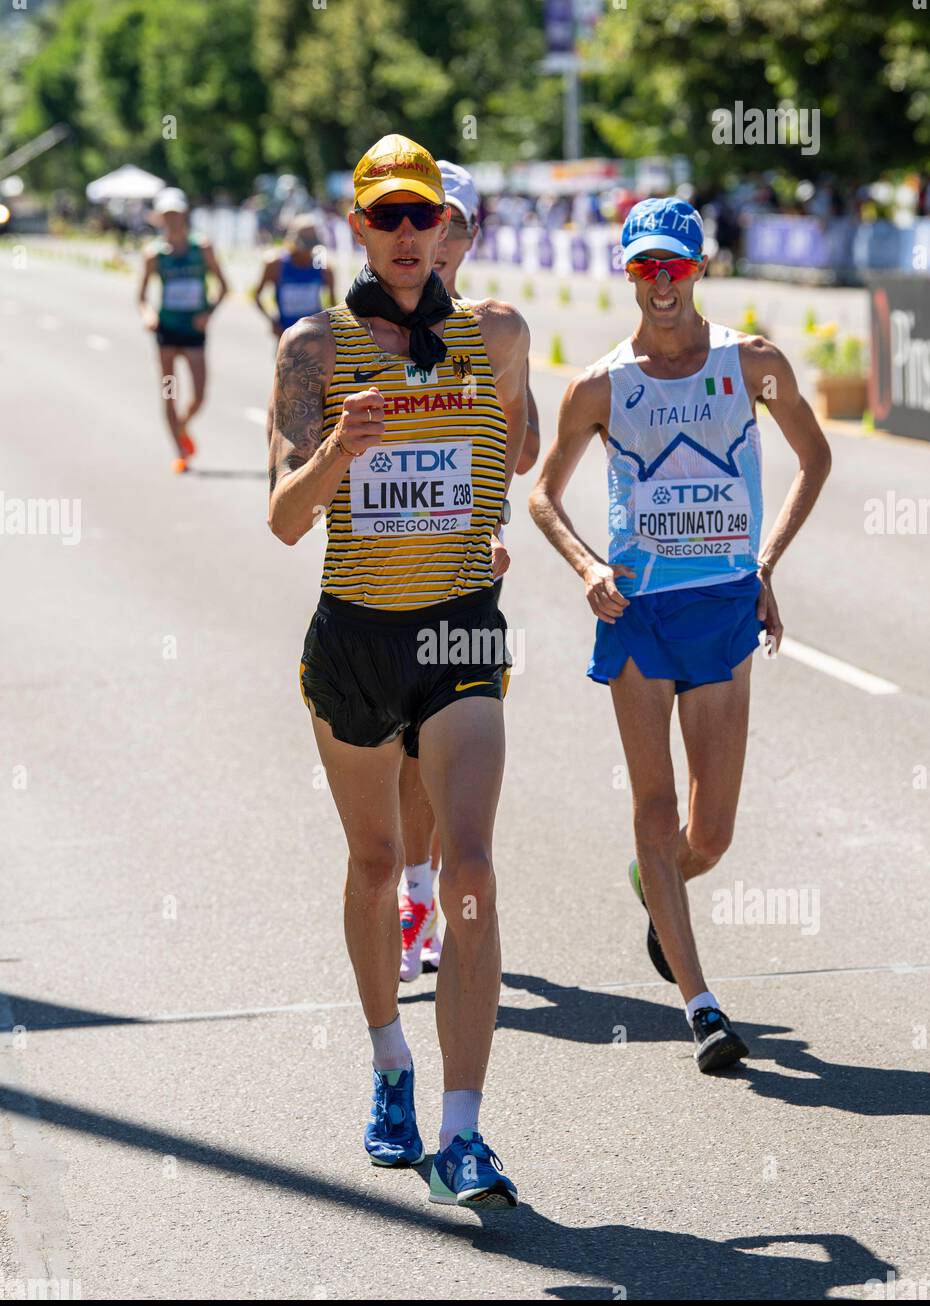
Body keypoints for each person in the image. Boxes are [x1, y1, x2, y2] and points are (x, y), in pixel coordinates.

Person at [267, 135, 531, 1207]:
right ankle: (389, 1063)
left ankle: (462, 1131)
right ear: (357, 228)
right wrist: (339, 449)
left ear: (449, 226)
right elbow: (284, 521)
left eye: (425, 215)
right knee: (377, 868)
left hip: (460, 631)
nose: (409, 235)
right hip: (355, 640)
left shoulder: (499, 333)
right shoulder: (310, 350)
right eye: (387, 217)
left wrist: (484, 521)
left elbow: (511, 455)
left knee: (466, 868)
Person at [529, 196, 830, 1074]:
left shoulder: (752, 363)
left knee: (711, 834)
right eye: (644, 268)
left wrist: (765, 564)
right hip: (641, 616)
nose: (660, 284)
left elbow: (814, 457)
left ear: (700, 270)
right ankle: (701, 1005)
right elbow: (542, 493)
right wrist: (588, 567)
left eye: (675, 267)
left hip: (723, 609)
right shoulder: (598, 384)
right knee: (654, 811)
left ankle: (655, 887)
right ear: (627, 275)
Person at [397, 159, 540, 983]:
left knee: (451, 746)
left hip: (470, 573)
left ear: (472, 235)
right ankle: (414, 885)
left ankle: (449, 895)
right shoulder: (363, 327)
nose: (438, 237)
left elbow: (522, 453)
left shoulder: (496, 331)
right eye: (424, 220)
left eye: (454, 223)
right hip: (385, 578)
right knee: (406, 755)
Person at [137, 188, 228, 473]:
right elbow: (141, 296)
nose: (172, 220)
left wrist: (208, 313)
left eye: (176, 214)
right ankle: (180, 452)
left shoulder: (202, 248)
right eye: (167, 215)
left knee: (200, 394)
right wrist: (149, 315)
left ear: (185, 214)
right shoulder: (154, 253)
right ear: (159, 218)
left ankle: (182, 425)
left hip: (193, 330)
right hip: (166, 330)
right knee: (169, 392)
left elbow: (224, 287)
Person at [253, 214, 336, 340]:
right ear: (293, 240)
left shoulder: (324, 269)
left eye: (312, 244)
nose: (308, 250)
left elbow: (333, 307)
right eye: (305, 244)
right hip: (286, 337)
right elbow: (257, 296)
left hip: (316, 340)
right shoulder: (275, 265)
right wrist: (272, 322)